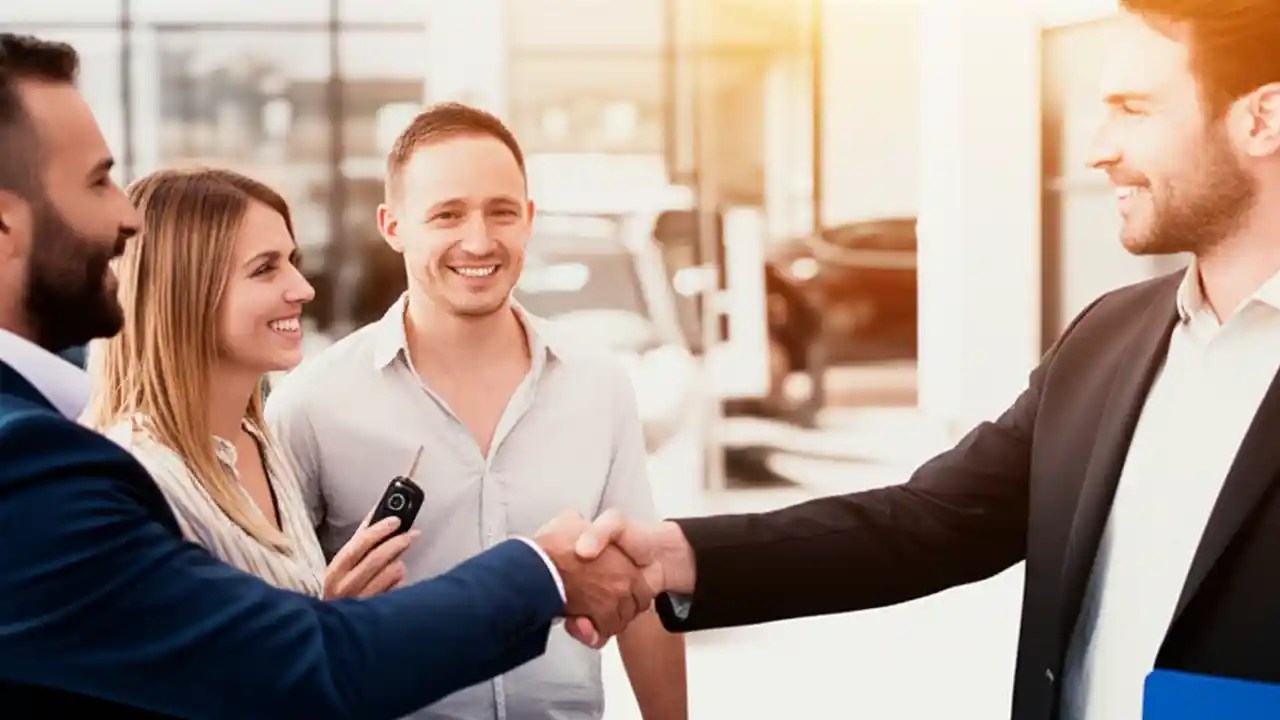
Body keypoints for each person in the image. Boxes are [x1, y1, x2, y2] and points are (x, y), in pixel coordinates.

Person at [572, 2, 1280, 719]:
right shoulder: (1109, 338)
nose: (1098, 149)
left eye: (1135, 109)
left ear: (1262, 119)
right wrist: (675, 557)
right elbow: (925, 526)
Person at [0, 32, 653, 718]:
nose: (127, 215)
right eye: (98, 180)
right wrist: (540, 570)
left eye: (292, 260)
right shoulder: (65, 465)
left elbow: (271, 654)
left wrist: (327, 616)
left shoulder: (253, 440)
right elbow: (288, 668)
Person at [265, 102, 688, 720]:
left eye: (501, 212)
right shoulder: (310, 403)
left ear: (529, 220)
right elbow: (266, 637)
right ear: (393, 226)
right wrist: (325, 610)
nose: (479, 241)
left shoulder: (599, 386)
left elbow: (644, 591)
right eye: (447, 215)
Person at [83, 167, 415, 600]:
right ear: (186, 291)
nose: (303, 289)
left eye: (292, 263)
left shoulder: (256, 436)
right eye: (265, 269)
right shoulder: (139, 477)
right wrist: (329, 624)